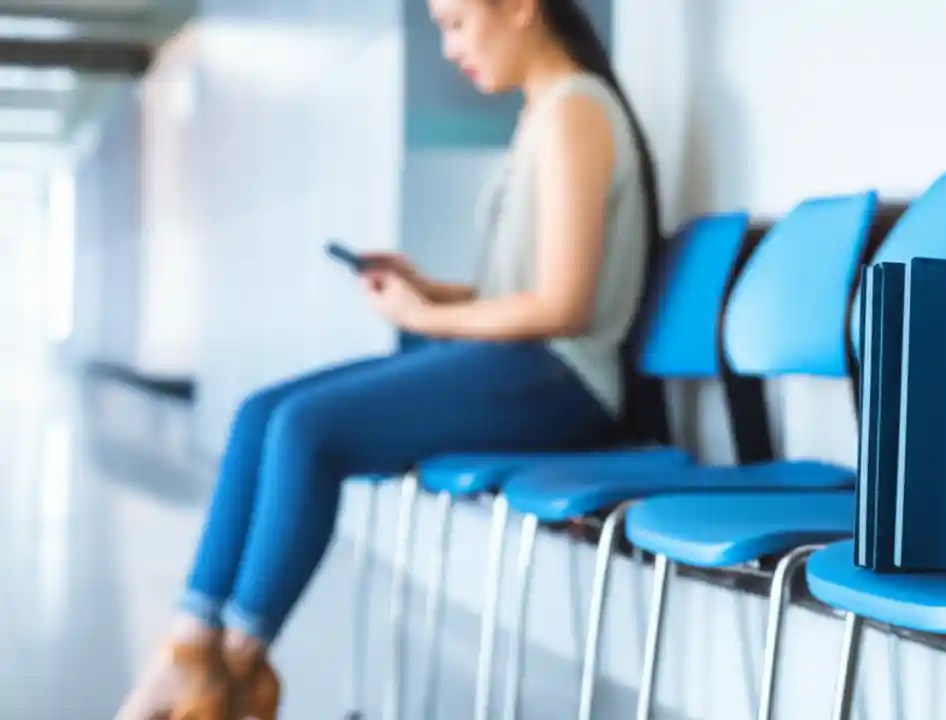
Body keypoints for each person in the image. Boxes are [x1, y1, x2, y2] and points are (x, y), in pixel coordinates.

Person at [115, 0, 661, 717]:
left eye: (458, 23)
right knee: (260, 415)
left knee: (308, 430)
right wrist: (431, 289)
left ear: (523, 8)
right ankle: (190, 648)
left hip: (561, 380)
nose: (449, 47)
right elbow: (523, 288)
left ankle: (237, 666)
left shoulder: (575, 112)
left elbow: (564, 308)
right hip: (516, 366)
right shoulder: (543, 114)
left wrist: (426, 316)